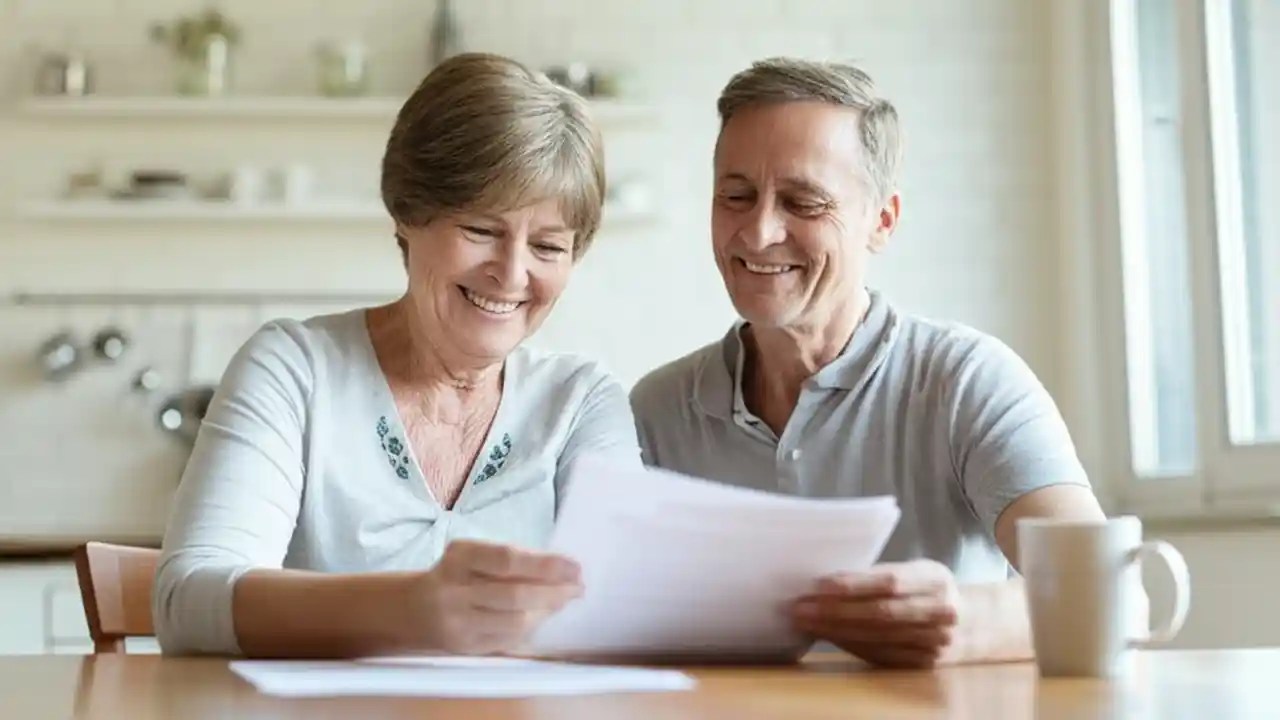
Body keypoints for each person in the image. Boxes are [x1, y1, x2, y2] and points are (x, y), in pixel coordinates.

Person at [153, 53, 640, 657]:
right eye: (482, 231)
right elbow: (186, 604)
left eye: (547, 246)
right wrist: (409, 609)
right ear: (408, 212)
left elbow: (626, 607)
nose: (512, 274)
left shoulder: (582, 401)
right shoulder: (295, 369)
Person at [630, 57, 1106, 669]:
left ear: (881, 221)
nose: (758, 231)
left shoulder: (966, 381)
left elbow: (1112, 593)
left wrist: (960, 622)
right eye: (736, 196)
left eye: (803, 201)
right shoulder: (656, 411)